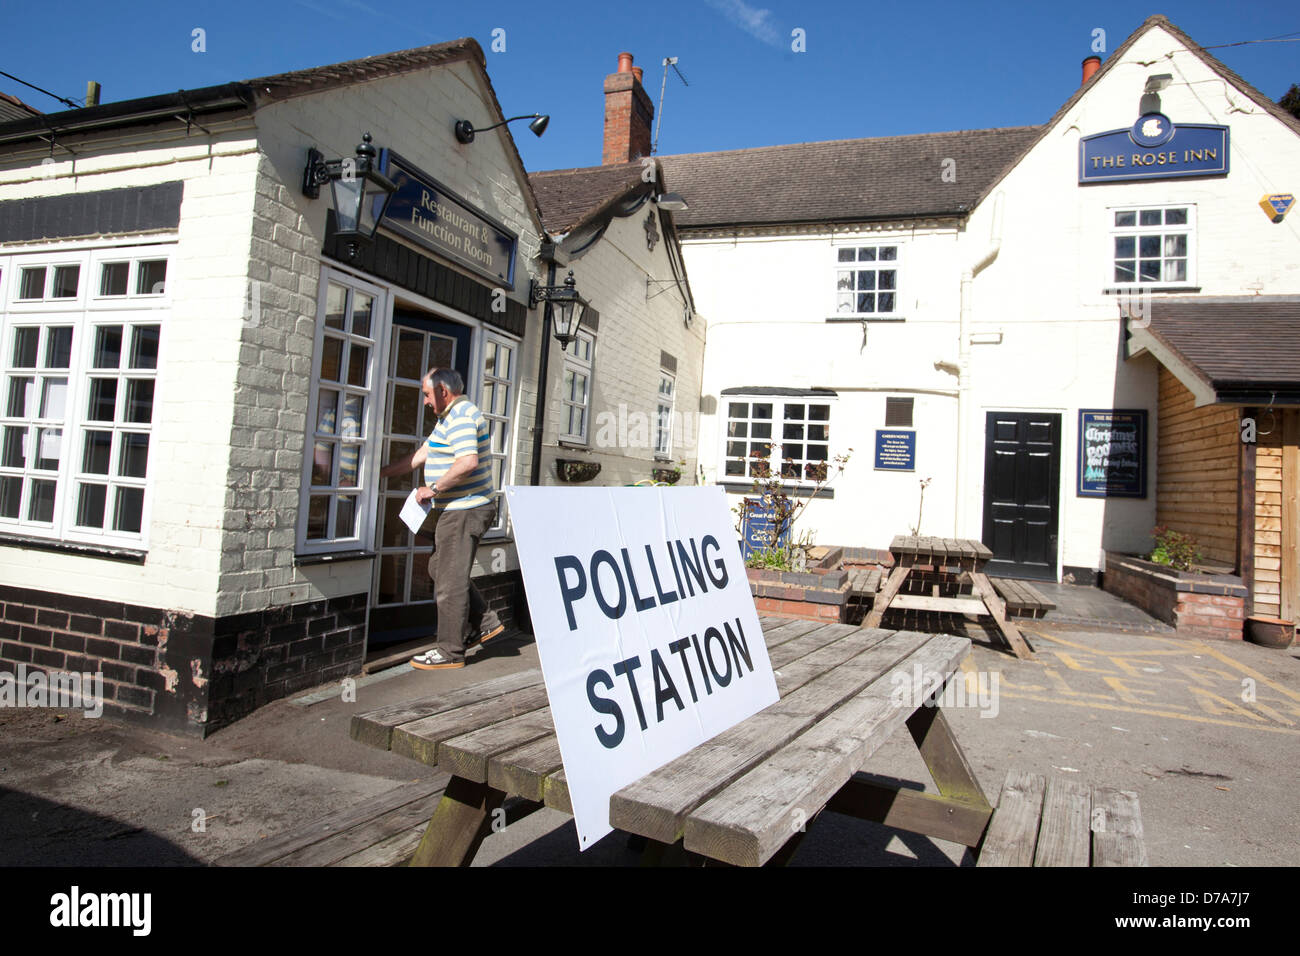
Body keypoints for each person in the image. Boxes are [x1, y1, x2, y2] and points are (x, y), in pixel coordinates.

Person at [379, 367, 503, 669]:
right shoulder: (448, 417)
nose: (424, 401)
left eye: (426, 394)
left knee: (449, 581)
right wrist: (383, 473)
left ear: (443, 391)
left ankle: (450, 652)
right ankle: (485, 622)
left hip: (465, 509)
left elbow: (468, 462)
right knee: (439, 567)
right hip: (458, 508)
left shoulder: (460, 417)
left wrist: (432, 488)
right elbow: (425, 452)